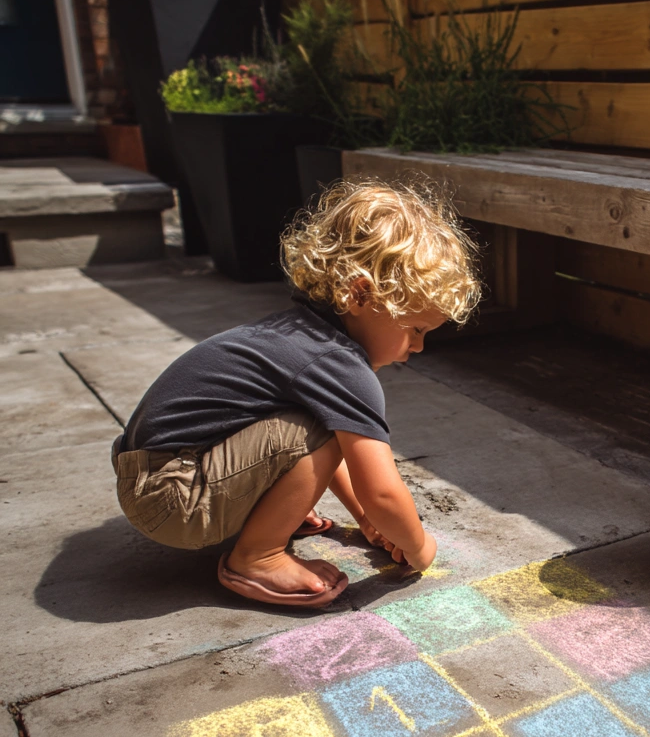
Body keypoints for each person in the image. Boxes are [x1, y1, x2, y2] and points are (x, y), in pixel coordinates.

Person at [111, 179, 481, 608]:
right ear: (359, 294)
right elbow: (380, 491)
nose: (417, 347)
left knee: (316, 425)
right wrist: (418, 546)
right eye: (415, 329)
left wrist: (364, 520)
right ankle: (257, 556)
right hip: (174, 499)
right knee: (309, 428)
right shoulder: (338, 364)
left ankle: (258, 513)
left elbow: (333, 458)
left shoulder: (297, 336)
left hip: (152, 479)